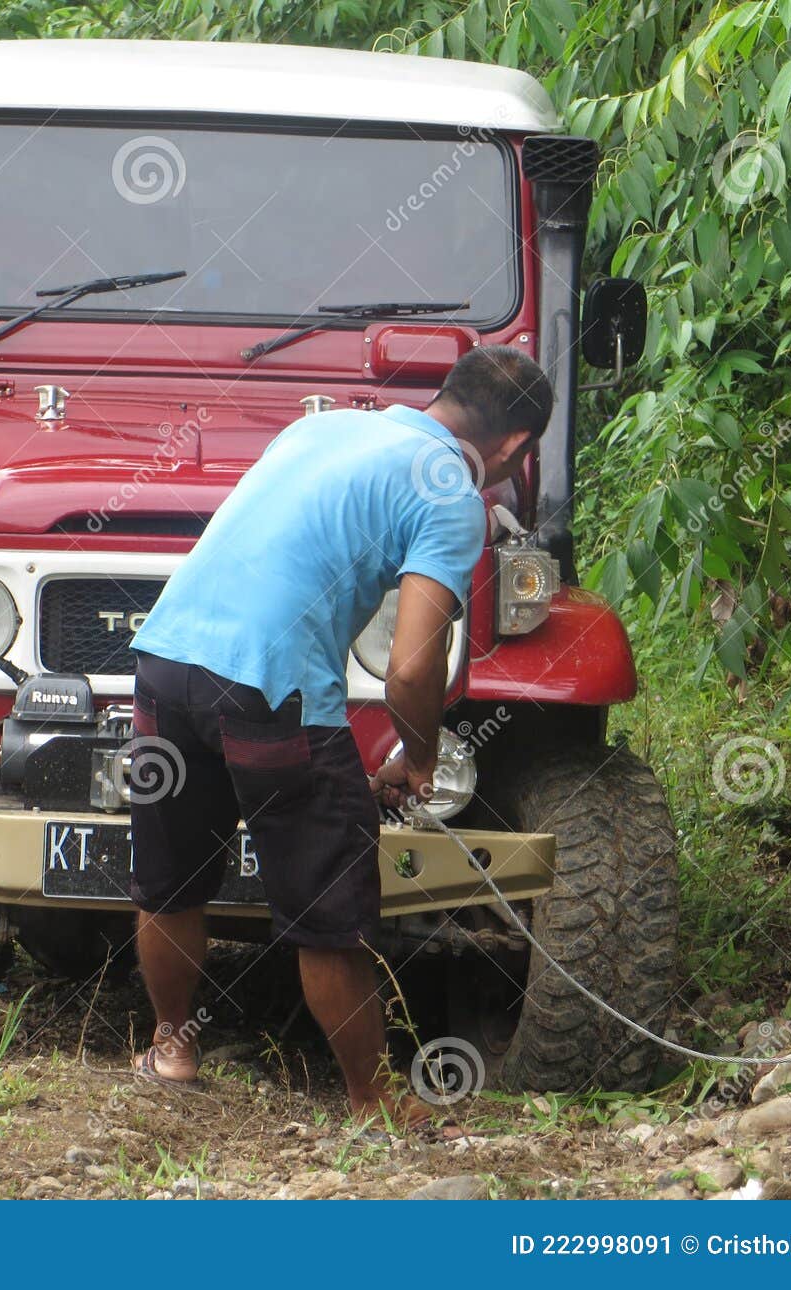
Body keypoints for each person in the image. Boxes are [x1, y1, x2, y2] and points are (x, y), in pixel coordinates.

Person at [125, 346, 553, 1122]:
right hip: (270, 689)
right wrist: (419, 757)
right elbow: (413, 670)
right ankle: (375, 1103)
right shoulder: (451, 494)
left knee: (171, 877)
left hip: (164, 659)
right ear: (516, 450)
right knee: (328, 906)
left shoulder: (321, 429)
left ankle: (171, 1050)